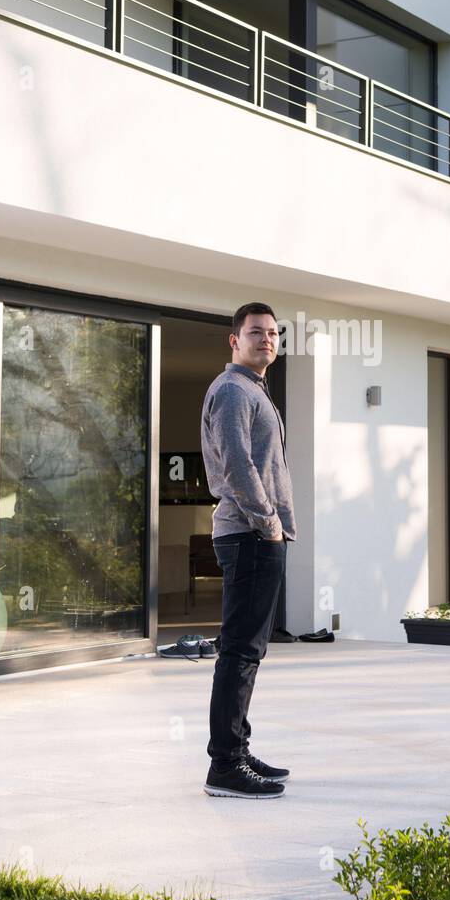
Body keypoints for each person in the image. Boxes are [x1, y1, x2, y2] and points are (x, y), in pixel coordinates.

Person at [200, 302, 296, 799]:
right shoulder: (236, 391)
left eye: (274, 332)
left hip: (253, 534)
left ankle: (236, 748)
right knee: (239, 650)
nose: (267, 339)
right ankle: (225, 766)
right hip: (250, 534)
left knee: (248, 650)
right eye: (256, 331)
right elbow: (238, 466)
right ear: (233, 340)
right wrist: (269, 524)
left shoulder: (252, 390)